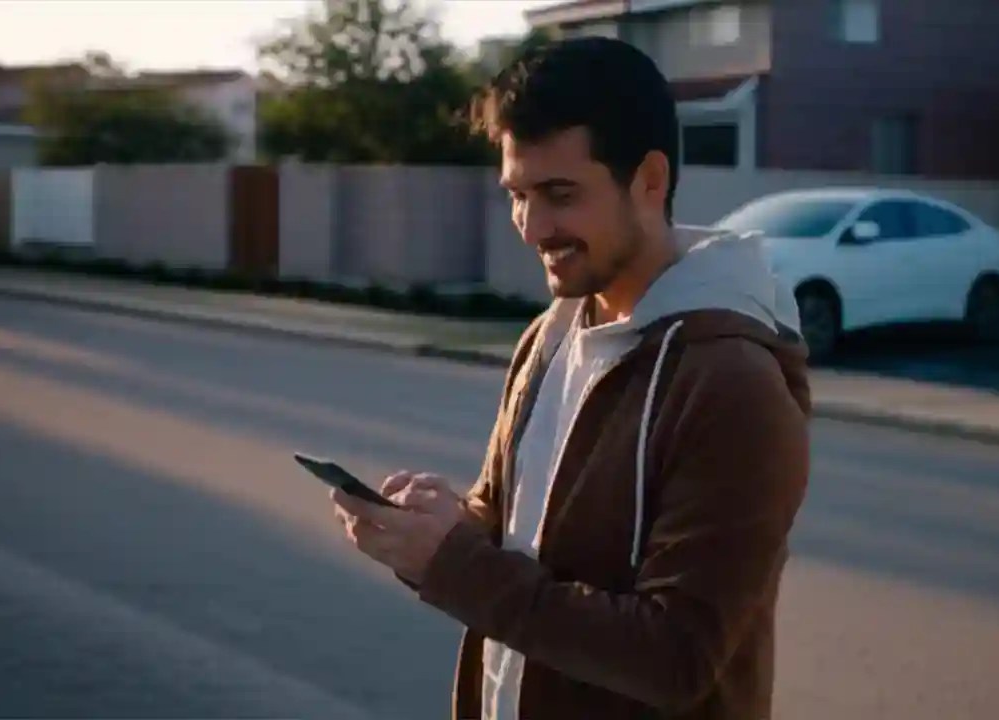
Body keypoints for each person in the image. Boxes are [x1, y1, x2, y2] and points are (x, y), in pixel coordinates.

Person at [331, 36, 811, 720]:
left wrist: (457, 564)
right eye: (517, 195)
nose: (532, 227)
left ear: (649, 180)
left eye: (559, 194)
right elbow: (514, 542)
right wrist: (434, 531)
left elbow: (677, 657)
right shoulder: (551, 335)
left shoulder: (732, 383)